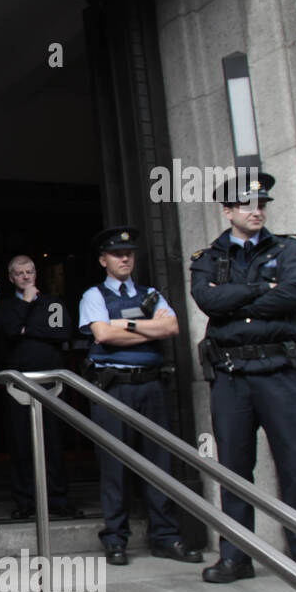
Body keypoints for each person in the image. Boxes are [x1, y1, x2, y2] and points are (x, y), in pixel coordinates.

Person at [190, 173, 296, 592]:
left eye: (262, 204)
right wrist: (262, 288)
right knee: (233, 469)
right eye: (246, 205)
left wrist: (237, 295)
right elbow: (206, 300)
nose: (257, 210)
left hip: (282, 373)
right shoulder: (207, 257)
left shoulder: (291, 248)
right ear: (227, 211)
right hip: (232, 377)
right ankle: (236, 554)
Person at [78, 227, 202, 566]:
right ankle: (116, 539)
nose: (124, 258)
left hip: (151, 386)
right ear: (104, 260)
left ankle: (165, 536)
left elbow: (172, 328)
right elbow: (102, 335)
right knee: (113, 464)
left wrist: (125, 327)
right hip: (113, 387)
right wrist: (145, 328)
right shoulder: (94, 295)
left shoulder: (150, 294)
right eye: (117, 254)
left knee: (158, 463)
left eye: (129, 253)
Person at [0, 254, 82, 519]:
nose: (25, 277)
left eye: (29, 272)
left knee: (53, 442)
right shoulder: (6, 306)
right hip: (18, 384)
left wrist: (27, 329)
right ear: (11, 278)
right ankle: (25, 501)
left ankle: (58, 498)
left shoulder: (52, 303)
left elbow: (62, 332)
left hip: (51, 382)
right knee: (21, 444)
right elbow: (10, 329)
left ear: (36, 274)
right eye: (19, 273)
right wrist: (27, 305)